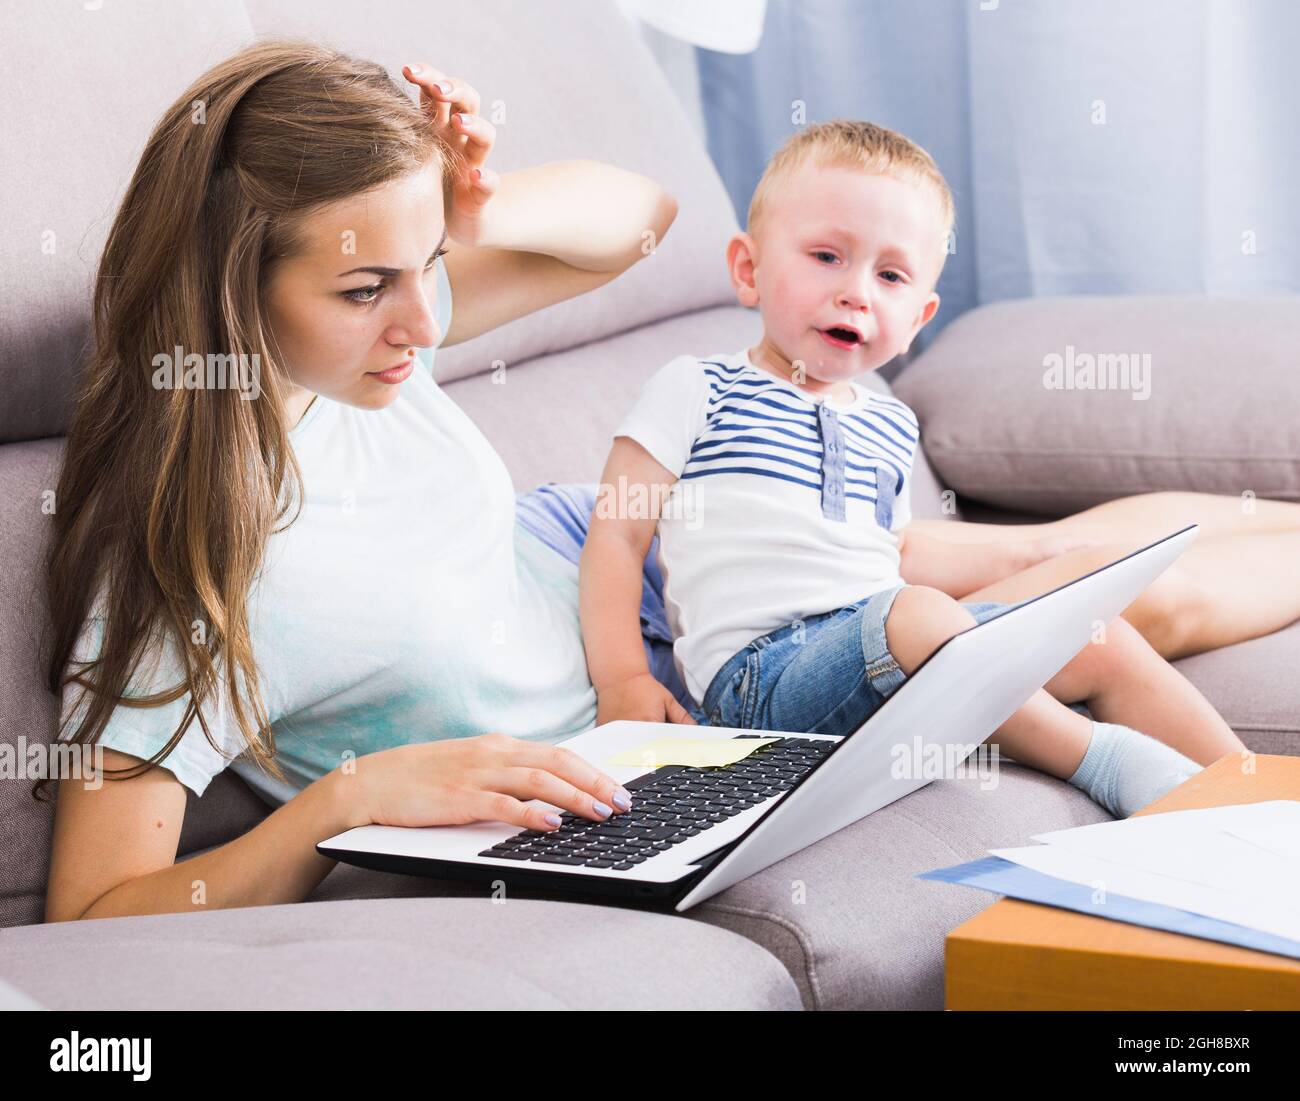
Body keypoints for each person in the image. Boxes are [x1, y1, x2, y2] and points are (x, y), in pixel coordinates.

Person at [42, 39, 675, 923]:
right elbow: (86, 916)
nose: (421, 323)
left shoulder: (351, 361)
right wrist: (345, 799)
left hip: (649, 664)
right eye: (366, 288)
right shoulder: (185, 569)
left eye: (430, 268)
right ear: (233, 291)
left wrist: (465, 219)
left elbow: (645, 215)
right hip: (588, 807)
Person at [578, 120, 1284, 820]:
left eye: (890, 276)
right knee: (913, 614)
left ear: (918, 317)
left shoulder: (888, 421)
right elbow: (616, 537)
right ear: (748, 268)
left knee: (1099, 636)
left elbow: (895, 553)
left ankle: (1262, 808)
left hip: (896, 655)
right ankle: (1104, 759)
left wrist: (1037, 557)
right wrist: (624, 678)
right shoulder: (698, 387)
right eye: (827, 255)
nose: (858, 291)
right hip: (763, 688)